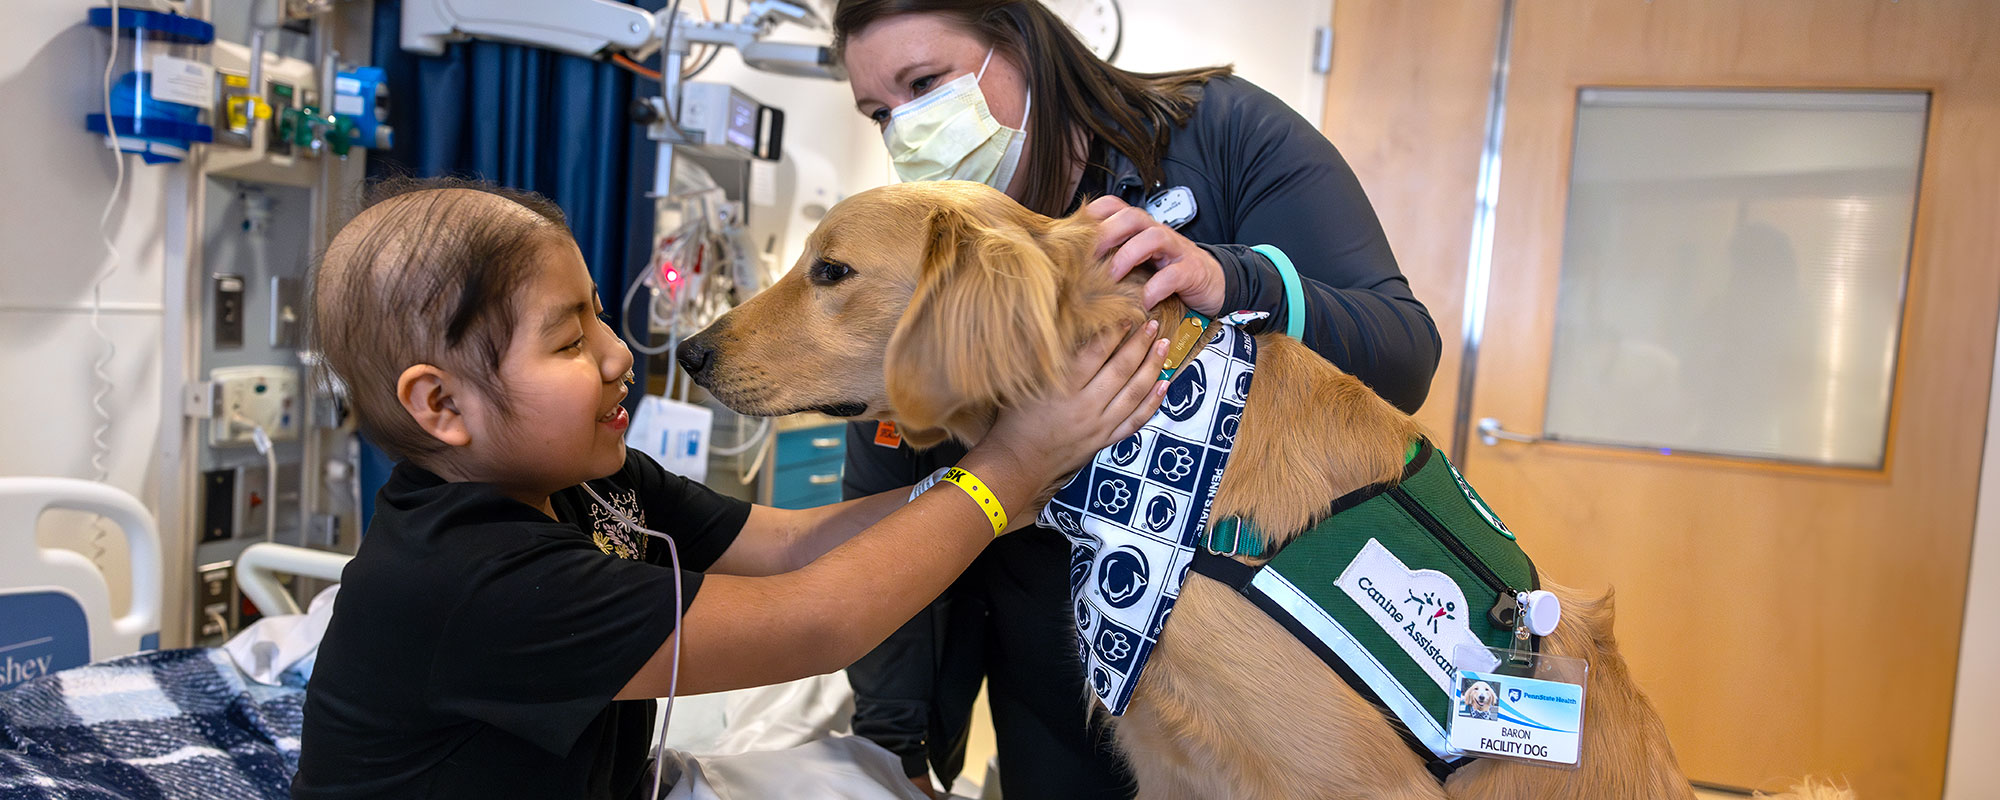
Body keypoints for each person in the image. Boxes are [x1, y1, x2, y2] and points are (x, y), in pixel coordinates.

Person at [290, 176, 1170, 800]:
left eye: (598, 312)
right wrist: (1006, 470)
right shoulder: (469, 582)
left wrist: (1027, 483)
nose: (619, 356)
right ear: (441, 405)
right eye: (568, 343)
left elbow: (789, 545)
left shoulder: (587, 484)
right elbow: (820, 619)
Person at [833, 2, 1443, 797]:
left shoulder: (1222, 133)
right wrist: (894, 745)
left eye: (926, 83)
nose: (907, 130)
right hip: (1055, 674)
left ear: (1016, 42)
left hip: (1266, 667)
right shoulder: (928, 242)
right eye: (880, 113)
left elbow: (1403, 352)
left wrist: (1233, 279)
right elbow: (892, 499)